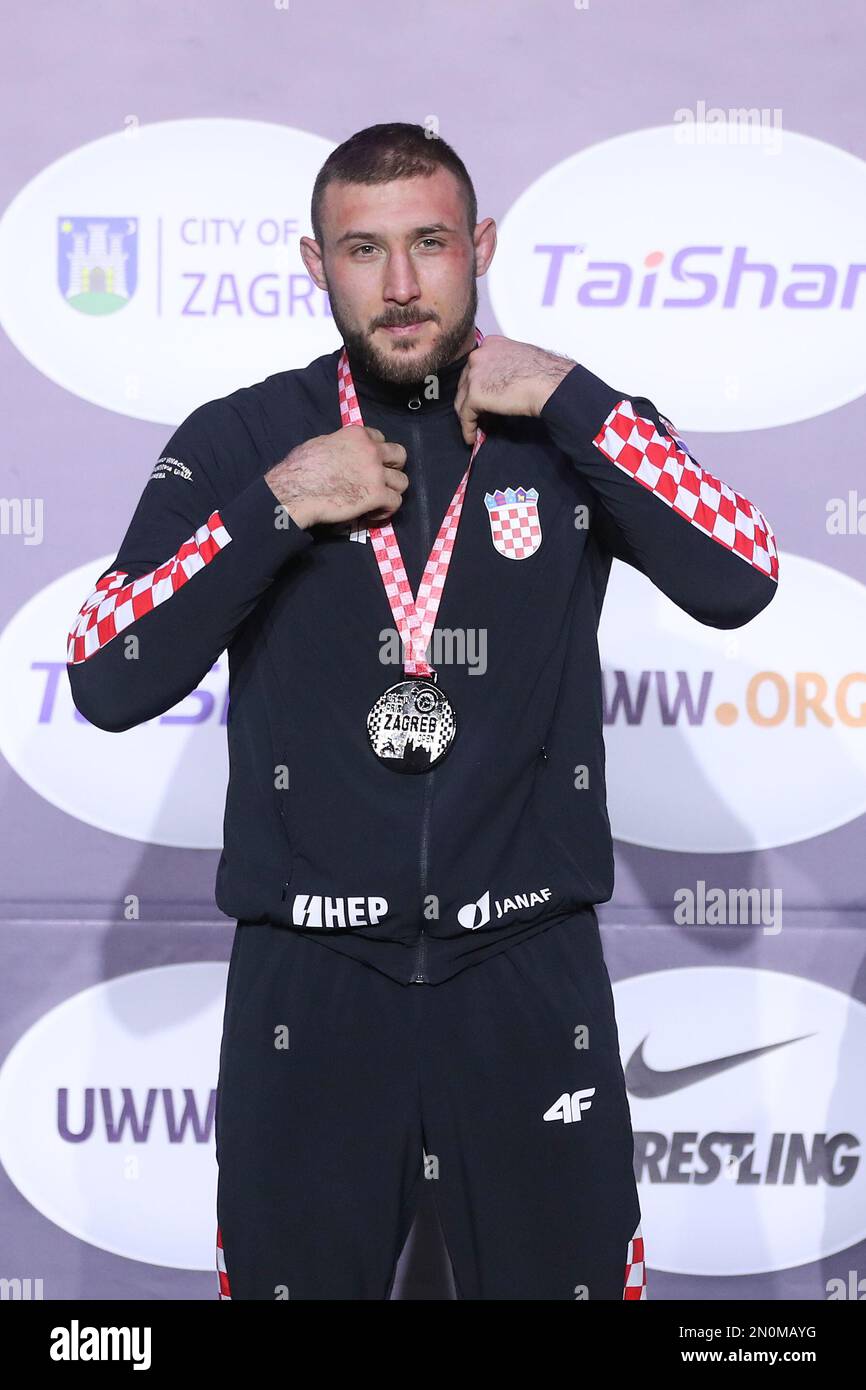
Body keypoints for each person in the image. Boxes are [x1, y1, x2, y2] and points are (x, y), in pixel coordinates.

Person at [66, 122, 779, 1300]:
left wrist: (570, 397)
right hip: (311, 977)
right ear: (315, 265)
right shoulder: (247, 436)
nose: (399, 286)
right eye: (362, 249)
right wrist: (278, 506)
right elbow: (102, 674)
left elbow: (740, 574)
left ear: (480, 246)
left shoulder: (566, 424)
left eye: (429, 244)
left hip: (526, 964)